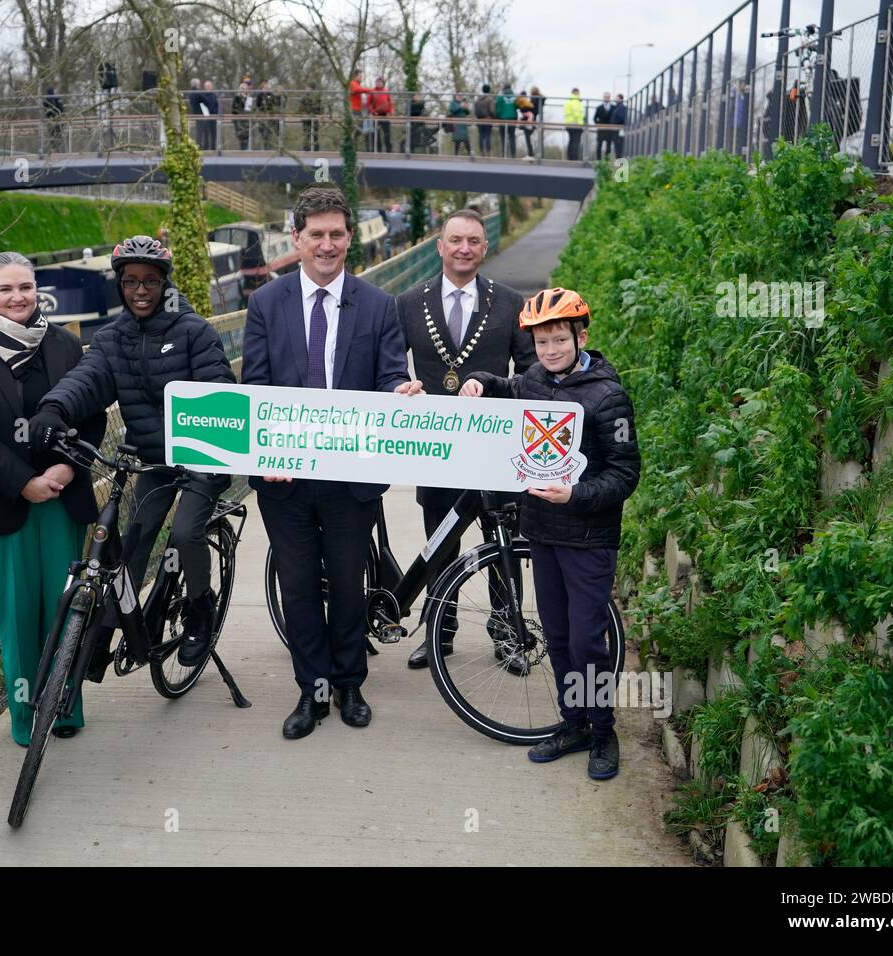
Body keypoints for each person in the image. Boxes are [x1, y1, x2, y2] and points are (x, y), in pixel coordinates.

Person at [240, 184, 423, 739]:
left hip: (351, 477)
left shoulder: (378, 304)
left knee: (347, 582)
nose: (326, 244)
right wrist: (264, 453)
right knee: (297, 585)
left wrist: (400, 392)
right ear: (296, 239)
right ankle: (311, 691)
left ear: (350, 240)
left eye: (336, 235)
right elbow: (256, 387)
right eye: (315, 235)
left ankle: (349, 683)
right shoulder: (265, 305)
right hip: (285, 479)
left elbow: (390, 372)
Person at [458, 288, 640, 781]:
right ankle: (574, 722)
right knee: (557, 638)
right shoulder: (534, 380)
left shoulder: (608, 396)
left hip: (588, 537)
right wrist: (476, 381)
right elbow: (502, 385)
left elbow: (625, 475)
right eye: (541, 342)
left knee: (587, 643)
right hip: (542, 532)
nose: (551, 351)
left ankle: (603, 732)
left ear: (582, 336)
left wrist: (574, 496)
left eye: (559, 339)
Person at [28, 237, 235, 670]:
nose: (140, 291)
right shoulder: (112, 339)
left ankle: (201, 608)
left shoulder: (194, 331)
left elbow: (221, 396)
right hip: (153, 460)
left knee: (183, 534)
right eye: (131, 282)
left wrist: (205, 444)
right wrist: (54, 407)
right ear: (120, 284)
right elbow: (87, 379)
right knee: (130, 548)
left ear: (165, 284)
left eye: (151, 282)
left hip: (202, 458)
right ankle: (103, 633)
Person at [0, 251, 106, 747]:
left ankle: (65, 707)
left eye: (26, 288)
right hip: (2, 500)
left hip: (61, 494)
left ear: (38, 291)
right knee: (17, 614)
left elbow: (92, 414)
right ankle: (24, 716)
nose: (18, 297)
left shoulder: (64, 345)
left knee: (65, 607)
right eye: (6, 289)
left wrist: (64, 467)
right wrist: (22, 482)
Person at [395, 208, 533, 669]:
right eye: (455, 240)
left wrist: (500, 388)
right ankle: (440, 632)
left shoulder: (511, 302)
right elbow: (394, 365)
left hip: (494, 444)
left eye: (473, 241)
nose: (464, 248)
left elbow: (531, 372)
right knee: (440, 541)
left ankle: (507, 631)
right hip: (436, 446)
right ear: (439, 246)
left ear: (484, 247)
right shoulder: (409, 303)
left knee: (504, 544)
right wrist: (402, 385)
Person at [370, 76, 394, 152]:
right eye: (377, 82)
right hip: (376, 114)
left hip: (385, 114)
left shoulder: (386, 91)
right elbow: (369, 104)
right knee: (375, 133)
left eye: (380, 82)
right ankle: (377, 150)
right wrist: (373, 112)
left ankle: (389, 150)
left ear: (383, 83)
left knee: (387, 133)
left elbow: (391, 103)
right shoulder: (373, 91)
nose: (378, 83)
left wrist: (390, 112)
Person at [495, 83, 518, 158]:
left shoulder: (500, 97)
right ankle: (513, 155)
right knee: (512, 136)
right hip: (513, 118)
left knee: (503, 137)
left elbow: (498, 109)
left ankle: (504, 154)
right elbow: (517, 106)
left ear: (504, 88)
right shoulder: (515, 97)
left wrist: (497, 116)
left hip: (502, 119)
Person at [474, 83, 496, 156]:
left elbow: (475, 110)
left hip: (479, 120)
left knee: (481, 135)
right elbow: (492, 110)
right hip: (488, 119)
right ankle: (488, 152)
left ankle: (481, 151)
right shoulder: (490, 98)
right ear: (489, 90)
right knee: (487, 135)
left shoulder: (478, 99)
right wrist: (494, 117)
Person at [233, 79, 255, 149]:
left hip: (248, 120)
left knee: (248, 137)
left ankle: (247, 150)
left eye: (245, 89)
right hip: (239, 120)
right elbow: (235, 108)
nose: (244, 90)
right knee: (242, 137)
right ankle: (242, 151)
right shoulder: (237, 97)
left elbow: (251, 108)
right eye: (242, 88)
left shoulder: (249, 98)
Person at [564, 87, 585, 160]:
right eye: (579, 93)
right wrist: (581, 125)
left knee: (571, 141)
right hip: (576, 124)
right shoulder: (575, 101)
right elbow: (577, 114)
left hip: (569, 124)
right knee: (576, 142)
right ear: (576, 93)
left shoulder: (569, 101)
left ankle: (570, 157)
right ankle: (574, 158)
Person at [593, 91, 615, 160]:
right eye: (605, 97)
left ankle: (607, 160)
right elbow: (594, 118)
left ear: (609, 98)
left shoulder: (613, 107)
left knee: (608, 146)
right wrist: (599, 124)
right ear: (603, 98)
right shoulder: (599, 108)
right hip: (601, 129)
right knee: (599, 145)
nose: (607, 98)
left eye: (608, 97)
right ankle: (598, 160)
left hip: (610, 129)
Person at [515, 88, 536, 159]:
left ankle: (530, 154)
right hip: (527, 119)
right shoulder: (525, 101)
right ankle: (530, 154)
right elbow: (531, 107)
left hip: (526, 119)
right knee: (528, 139)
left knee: (528, 139)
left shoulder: (521, 101)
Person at [43, 87, 64, 151]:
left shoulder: (47, 99)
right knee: (57, 132)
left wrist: (49, 116)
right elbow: (61, 108)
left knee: (52, 132)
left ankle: (54, 147)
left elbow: (45, 108)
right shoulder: (56, 98)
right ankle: (57, 147)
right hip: (57, 117)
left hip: (52, 118)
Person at [612, 93, 628, 158]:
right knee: (617, 146)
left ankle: (619, 161)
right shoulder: (617, 107)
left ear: (620, 99)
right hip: (616, 129)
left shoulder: (622, 107)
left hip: (619, 129)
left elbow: (621, 118)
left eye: (617, 98)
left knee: (619, 146)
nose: (615, 99)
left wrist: (614, 123)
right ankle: (618, 160)